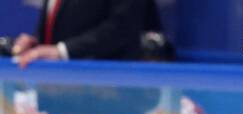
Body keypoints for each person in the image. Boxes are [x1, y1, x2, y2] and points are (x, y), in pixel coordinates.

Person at [14, 0, 156, 67]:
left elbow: (123, 27)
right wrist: (37, 43)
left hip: (108, 92)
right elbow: (60, 20)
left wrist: (62, 51)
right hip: (57, 91)